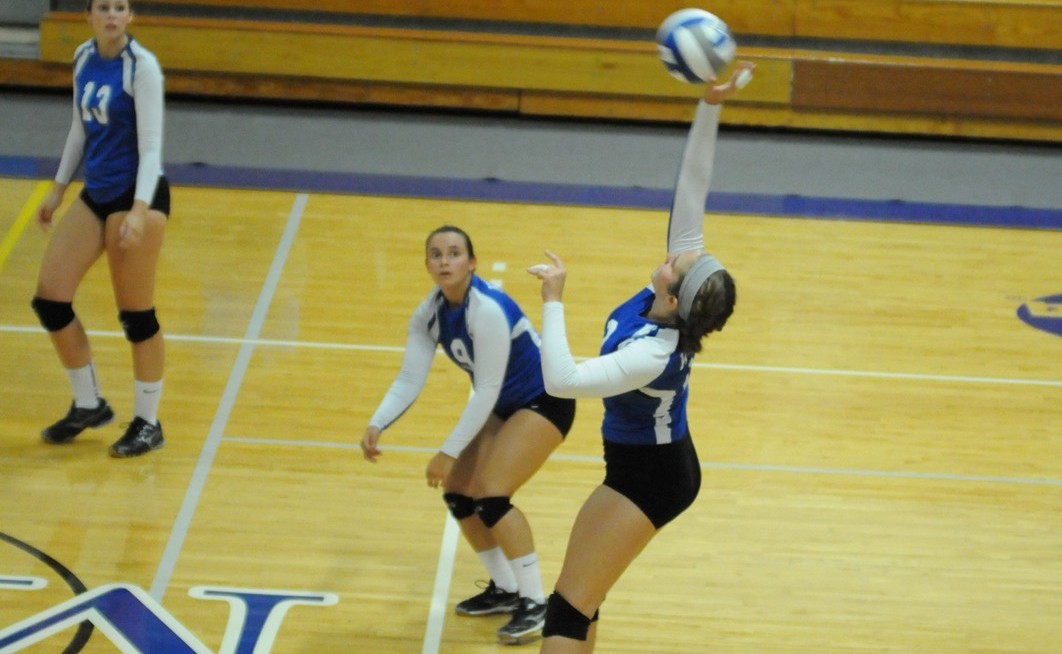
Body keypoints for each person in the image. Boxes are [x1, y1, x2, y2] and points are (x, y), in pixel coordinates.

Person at [525, 62, 754, 653]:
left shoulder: (654, 354)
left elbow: (564, 378)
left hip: (653, 479)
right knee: (583, 599)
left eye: (681, 262)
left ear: (674, 296)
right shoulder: (671, 299)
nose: (679, 252)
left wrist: (553, 299)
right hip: (641, 466)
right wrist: (711, 105)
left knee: (567, 610)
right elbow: (692, 189)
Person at [360, 225, 577, 645]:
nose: (444, 261)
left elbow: (488, 390)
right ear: (427, 264)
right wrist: (377, 421)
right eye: (436, 255)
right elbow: (409, 376)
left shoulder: (488, 310)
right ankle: (506, 589)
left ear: (472, 262)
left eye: (454, 253)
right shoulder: (429, 313)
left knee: (492, 496)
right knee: (459, 492)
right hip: (505, 404)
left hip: (545, 400)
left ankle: (536, 603)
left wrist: (446, 452)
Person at [32, 0, 169, 458]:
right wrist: (57, 189)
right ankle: (89, 404)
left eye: (121, 7)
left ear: (131, 16)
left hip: (137, 196)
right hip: (98, 192)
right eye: (103, 7)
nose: (112, 15)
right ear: (88, 15)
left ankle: (148, 423)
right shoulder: (83, 58)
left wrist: (138, 210)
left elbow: (151, 147)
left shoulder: (142, 67)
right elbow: (79, 129)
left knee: (136, 314)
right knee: (50, 298)